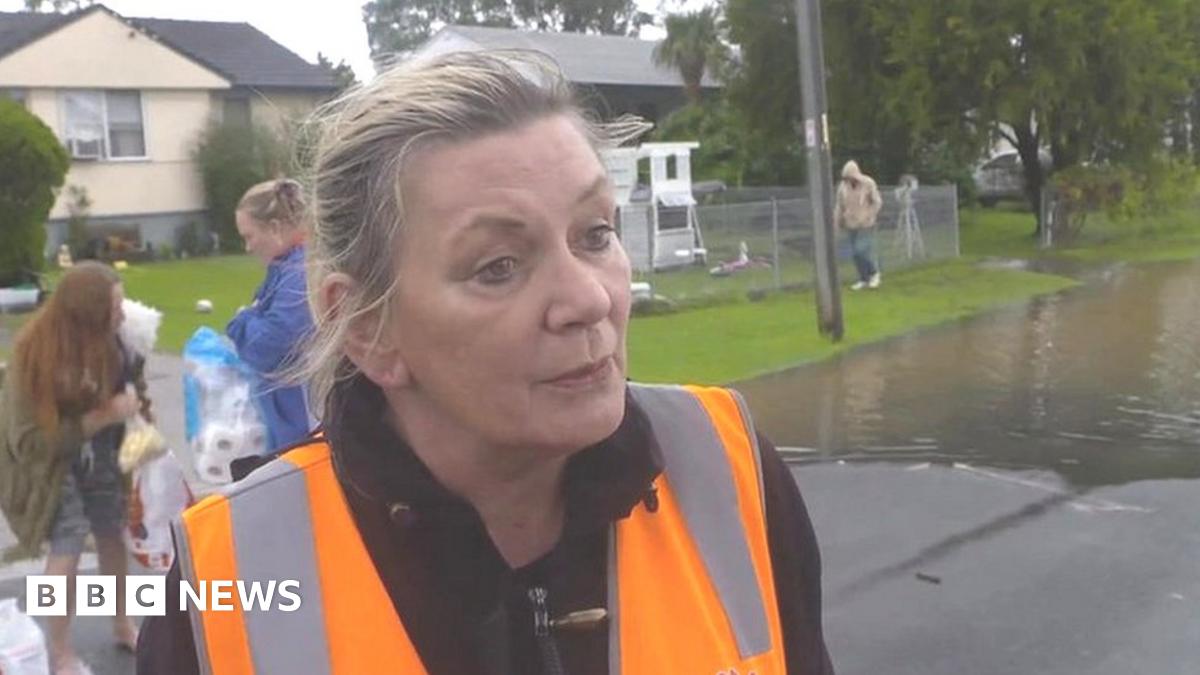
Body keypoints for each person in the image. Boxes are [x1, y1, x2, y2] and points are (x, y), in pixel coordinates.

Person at [138, 51, 834, 675]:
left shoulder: (730, 467)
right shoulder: (227, 576)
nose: (588, 299)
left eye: (596, 233)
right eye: (499, 266)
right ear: (369, 326)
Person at [0, 262, 148, 675]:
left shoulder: (114, 336)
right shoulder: (34, 356)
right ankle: (60, 652)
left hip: (100, 448)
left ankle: (123, 624)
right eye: (114, 306)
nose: (122, 313)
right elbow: (30, 444)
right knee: (67, 541)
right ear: (86, 313)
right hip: (48, 462)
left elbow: (134, 387)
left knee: (112, 529)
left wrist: (136, 396)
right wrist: (102, 415)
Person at [226, 178, 315, 451]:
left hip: (304, 424)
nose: (248, 247)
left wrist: (241, 322)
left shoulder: (298, 275)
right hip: (290, 422)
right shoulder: (285, 270)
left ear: (275, 228)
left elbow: (269, 344)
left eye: (249, 236)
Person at [834, 159, 883, 290]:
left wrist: (869, 215)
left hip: (866, 224)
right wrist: (837, 222)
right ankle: (863, 278)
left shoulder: (868, 183)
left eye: (850, 177)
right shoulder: (842, 187)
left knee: (860, 250)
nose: (848, 181)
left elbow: (877, 202)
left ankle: (874, 273)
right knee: (855, 253)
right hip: (851, 224)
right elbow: (840, 206)